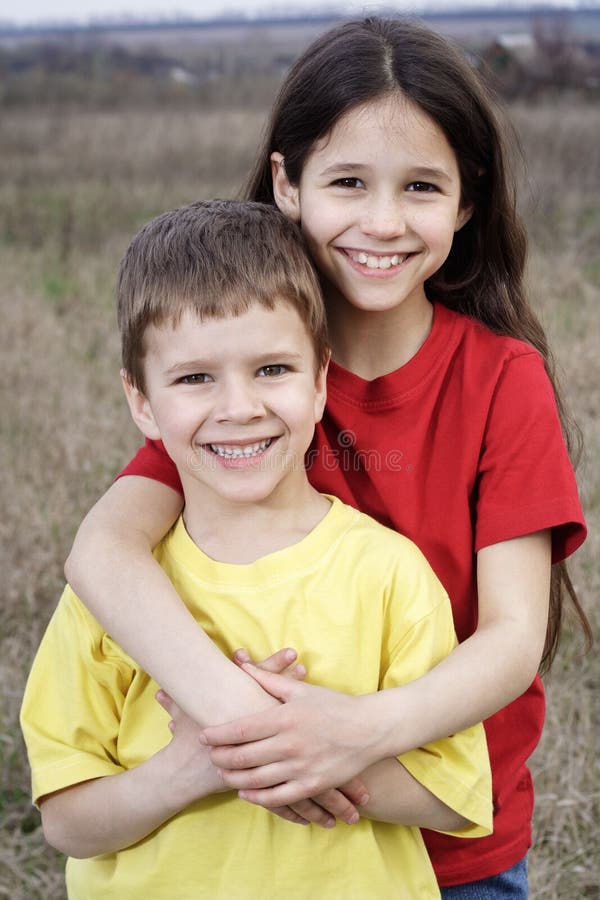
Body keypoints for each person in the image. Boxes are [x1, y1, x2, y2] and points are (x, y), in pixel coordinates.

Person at [63, 17, 589, 899]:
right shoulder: (249, 385)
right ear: (288, 184)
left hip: (451, 837)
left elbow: (510, 639)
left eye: (421, 186)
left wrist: (354, 734)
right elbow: (102, 553)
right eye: (348, 181)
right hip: (271, 842)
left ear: (466, 202)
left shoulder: (501, 378)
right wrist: (254, 736)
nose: (383, 221)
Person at [21, 199, 492, 900]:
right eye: (194, 378)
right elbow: (67, 822)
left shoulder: (388, 574)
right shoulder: (115, 598)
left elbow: (455, 797)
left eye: (272, 369)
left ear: (320, 380)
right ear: (141, 402)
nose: (239, 407)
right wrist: (194, 768)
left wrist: (317, 749)